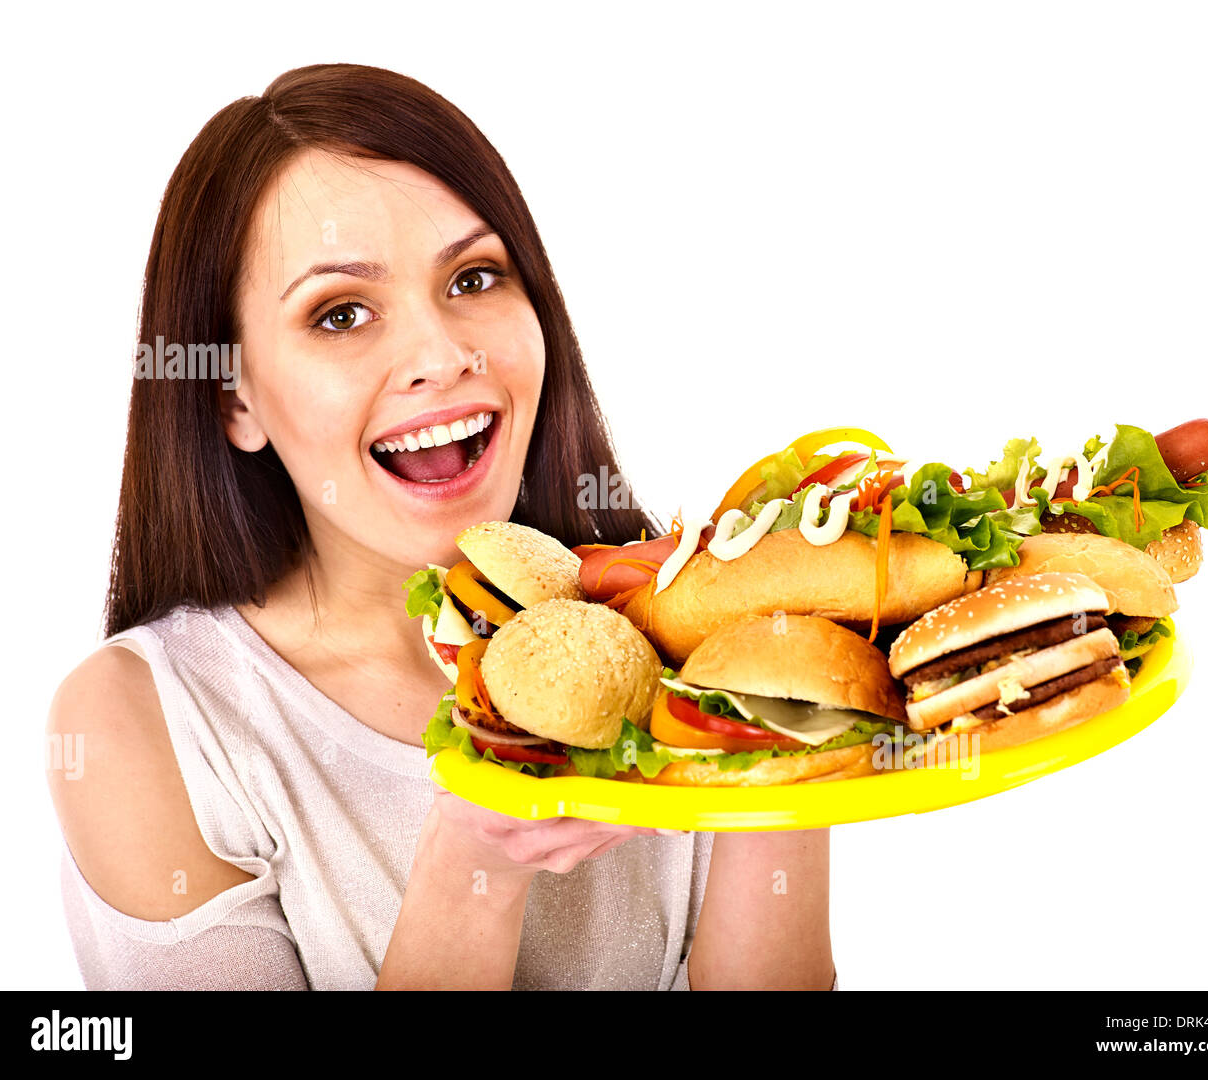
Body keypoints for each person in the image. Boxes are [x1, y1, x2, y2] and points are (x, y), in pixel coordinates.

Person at [46, 63, 836, 990]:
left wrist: (788, 716)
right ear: (234, 397)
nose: (441, 354)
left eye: (473, 278)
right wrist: (479, 863)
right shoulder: (145, 724)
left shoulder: (672, 626)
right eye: (340, 314)